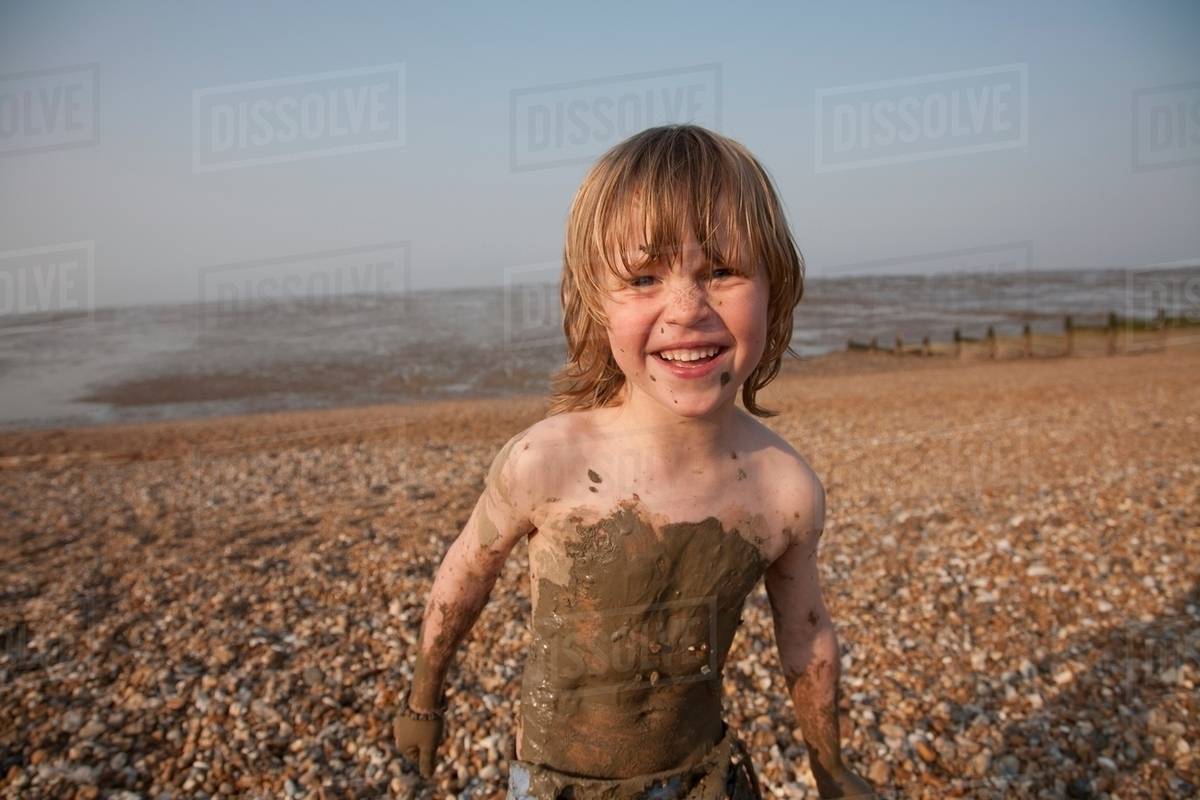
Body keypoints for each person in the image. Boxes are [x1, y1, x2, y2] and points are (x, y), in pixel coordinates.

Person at [394, 124, 877, 799]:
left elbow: (807, 634)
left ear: (778, 285)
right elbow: (464, 574)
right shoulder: (548, 460)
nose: (686, 309)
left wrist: (830, 766)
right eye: (643, 278)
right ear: (595, 301)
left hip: (701, 779)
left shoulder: (782, 490)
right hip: (554, 783)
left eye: (723, 270)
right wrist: (423, 699)